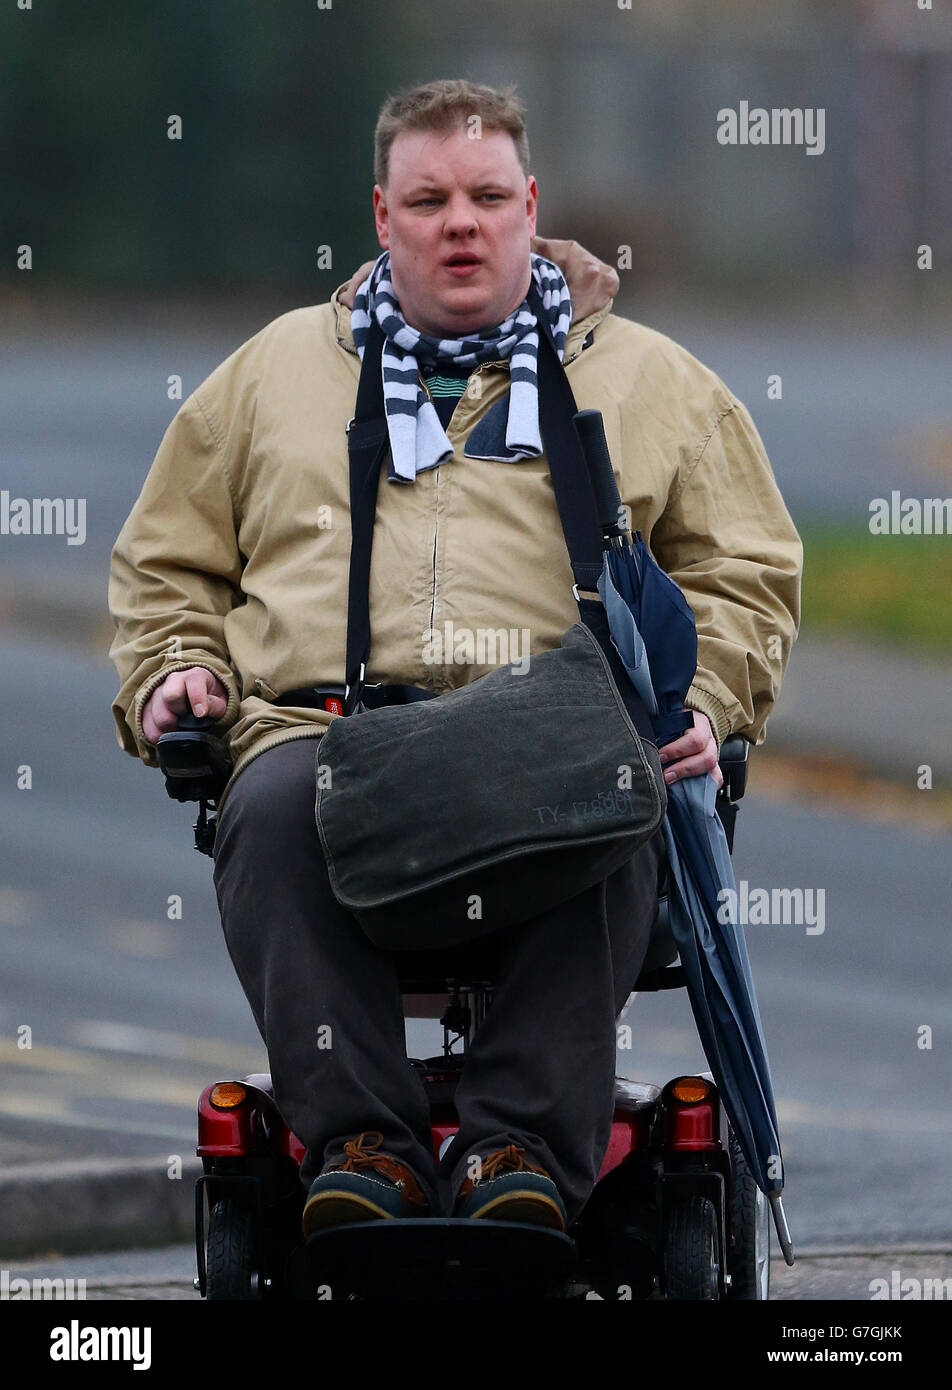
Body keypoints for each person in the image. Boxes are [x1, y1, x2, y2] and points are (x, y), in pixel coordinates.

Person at [108, 79, 802, 1237]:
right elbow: (167, 568)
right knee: (268, 799)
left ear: (530, 206)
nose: (460, 223)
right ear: (383, 216)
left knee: (620, 791)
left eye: (486, 196)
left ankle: (518, 1156)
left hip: (555, 747)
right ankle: (362, 1146)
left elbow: (746, 569)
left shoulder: (649, 382)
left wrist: (709, 697)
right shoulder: (269, 375)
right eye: (428, 199)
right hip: (324, 739)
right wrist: (176, 667)